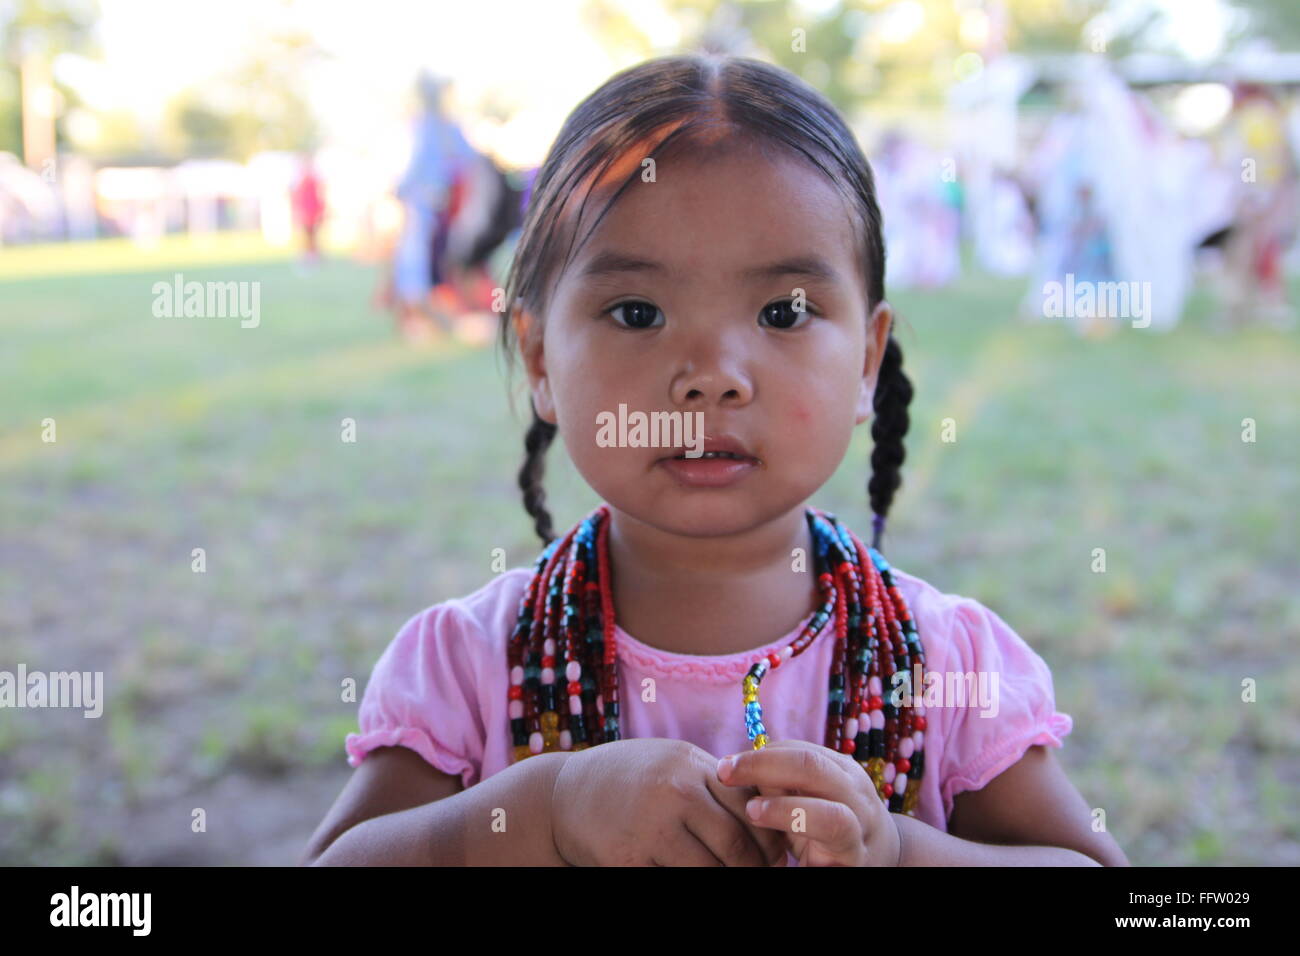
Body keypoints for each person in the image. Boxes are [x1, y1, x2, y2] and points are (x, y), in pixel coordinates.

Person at [303, 54, 1129, 867]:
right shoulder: (468, 666)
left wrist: (898, 850)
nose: (711, 377)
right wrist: (543, 812)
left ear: (868, 361)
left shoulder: (942, 666)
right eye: (636, 311)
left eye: (783, 311)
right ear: (540, 359)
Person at [391, 71, 478, 343]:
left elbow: (468, 160)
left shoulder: (439, 127)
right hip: (428, 206)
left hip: (443, 207)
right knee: (418, 261)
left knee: (430, 261)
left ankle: (441, 316)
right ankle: (422, 319)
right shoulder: (430, 127)